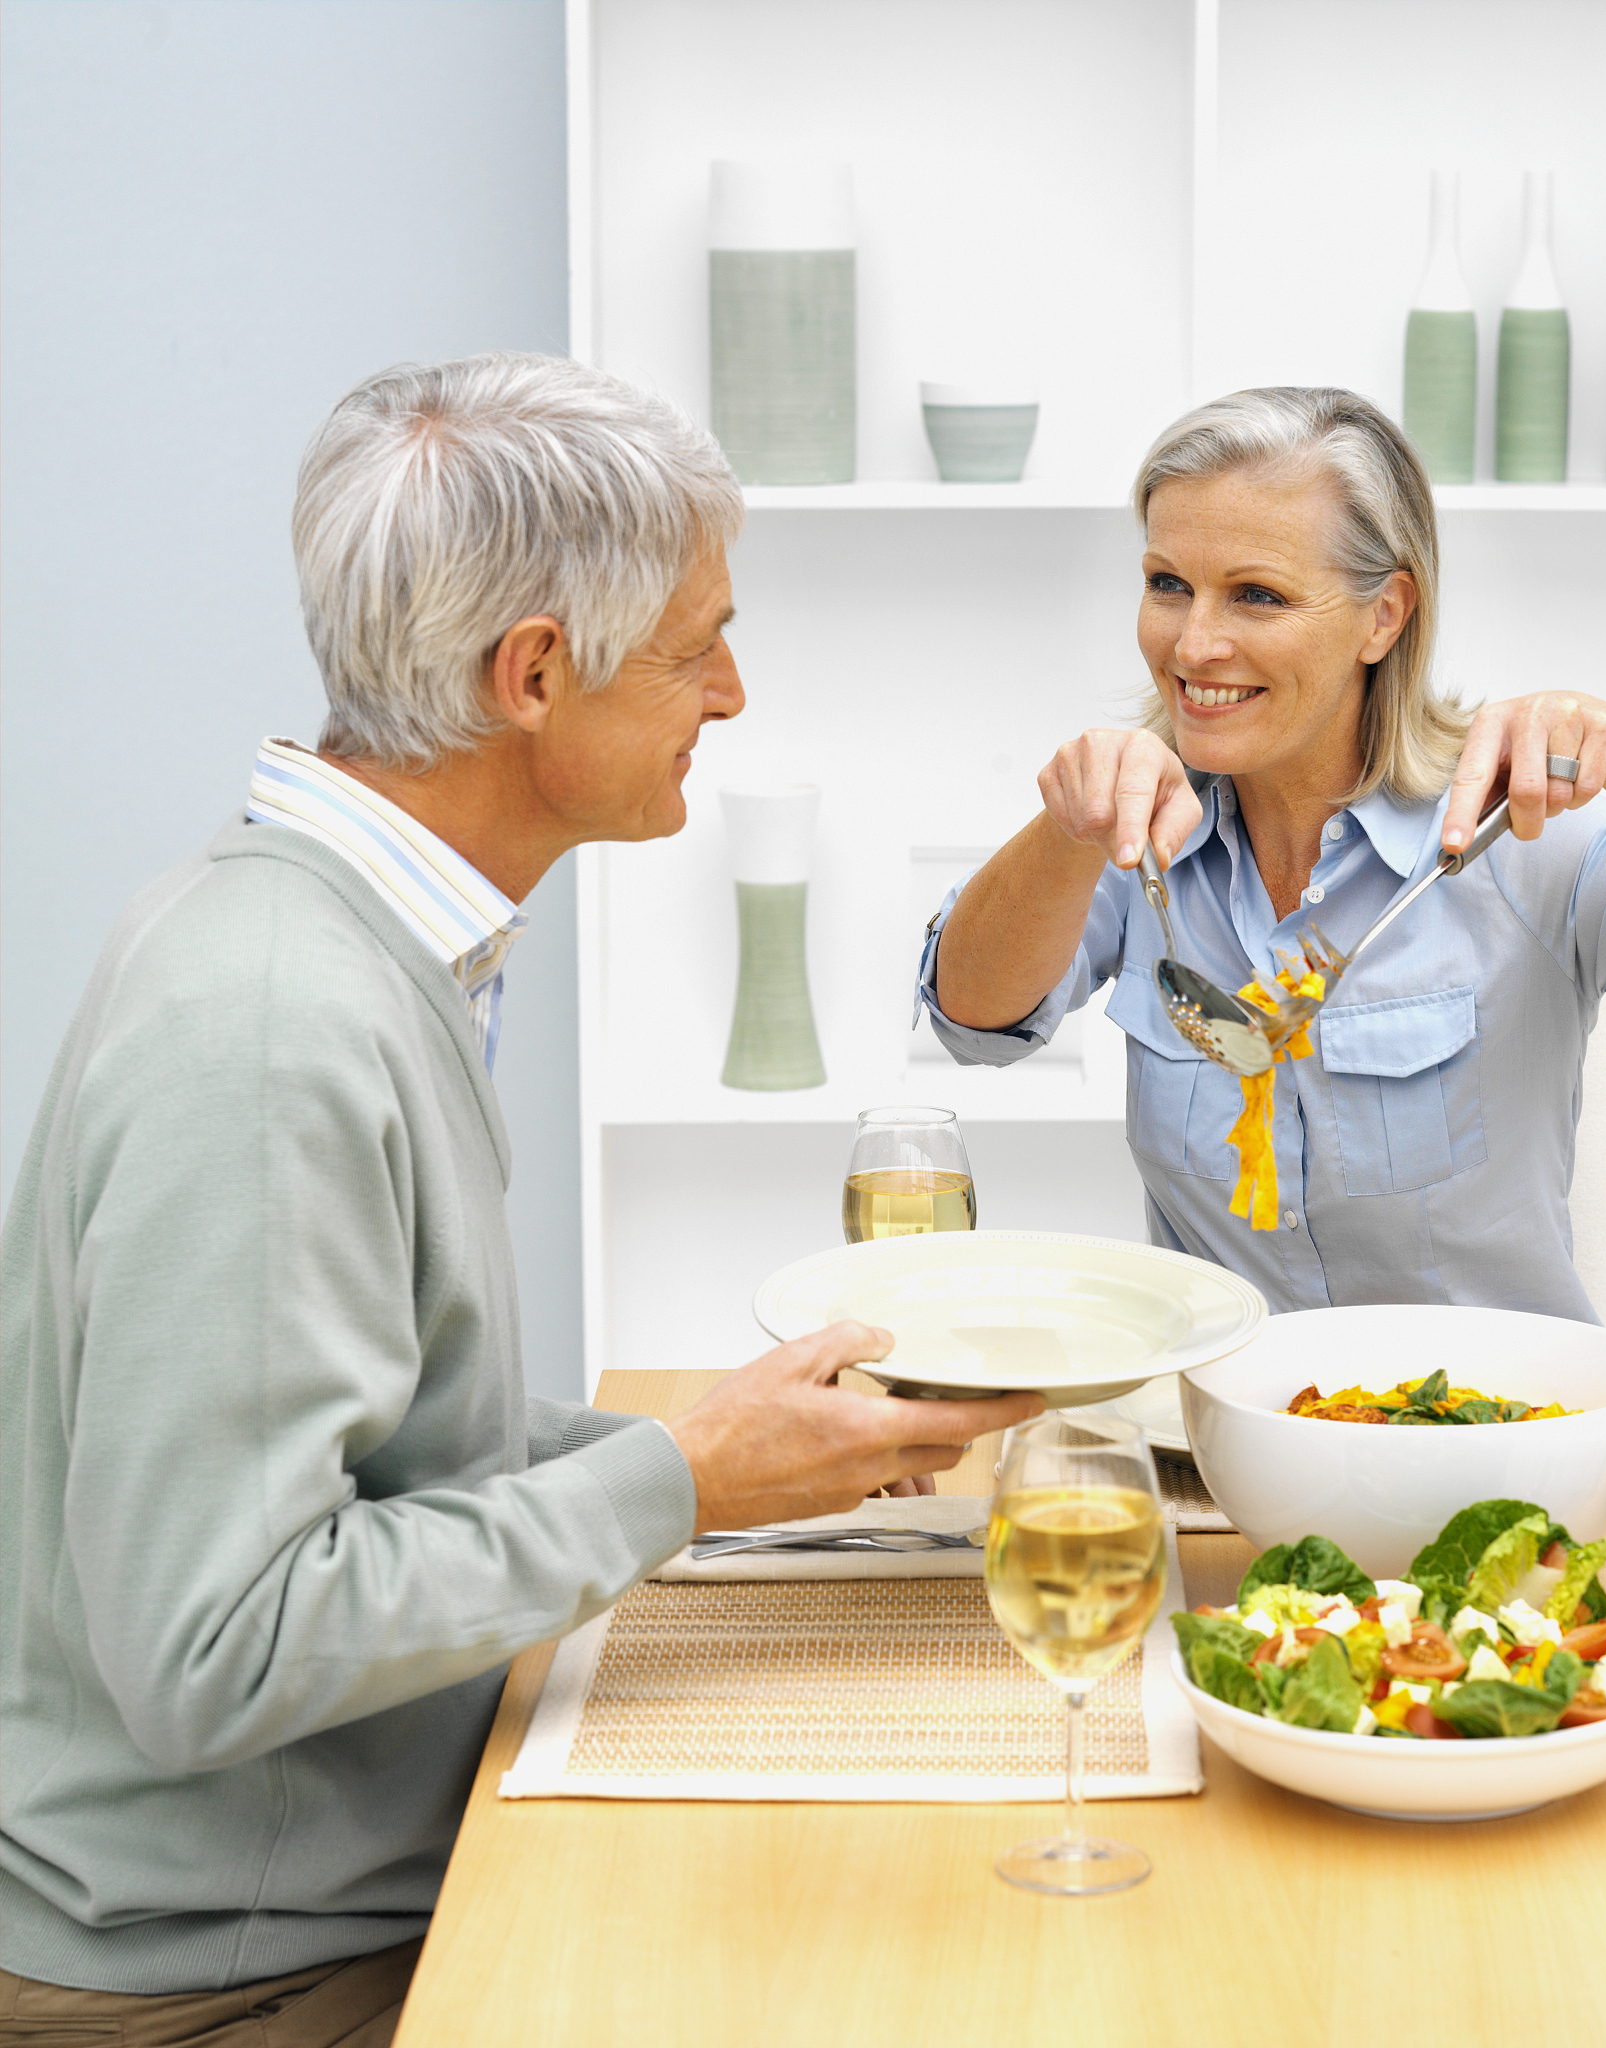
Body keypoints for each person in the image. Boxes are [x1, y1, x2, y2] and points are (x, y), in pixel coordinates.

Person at [0, 354, 1040, 2043]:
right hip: (223, 1973)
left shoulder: (335, 940)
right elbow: (215, 1639)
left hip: (324, 1889)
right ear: (535, 673)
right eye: (701, 640)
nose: (733, 690)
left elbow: (368, 1453)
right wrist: (672, 1483)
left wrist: (712, 1456)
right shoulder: (277, 1025)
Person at [922, 386, 1606, 1321]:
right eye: (1167, 584)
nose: (1193, 641)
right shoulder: (1135, 826)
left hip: (1492, 1443)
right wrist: (1064, 828)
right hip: (1223, 1450)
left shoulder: (1514, 832)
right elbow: (969, 1017)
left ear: (1382, 615)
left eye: (1255, 595)